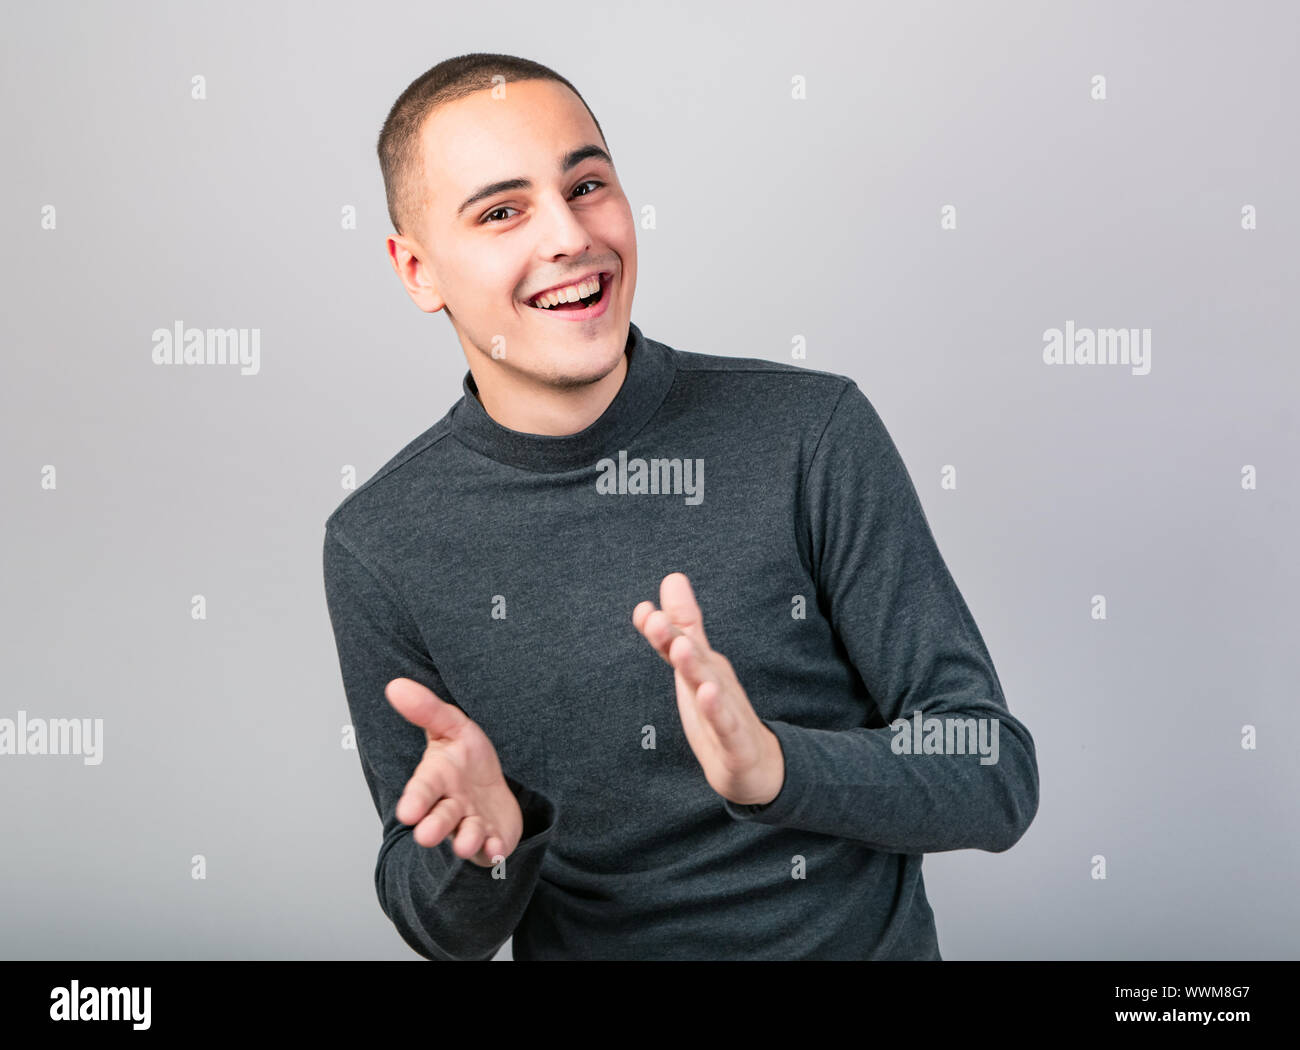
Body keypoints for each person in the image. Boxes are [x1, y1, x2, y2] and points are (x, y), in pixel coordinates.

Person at [322, 52, 1039, 961]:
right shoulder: (378, 543)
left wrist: (772, 766)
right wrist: (490, 848)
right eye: (503, 211)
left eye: (586, 185)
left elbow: (994, 774)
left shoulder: (810, 431)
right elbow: (439, 928)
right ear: (418, 271)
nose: (568, 236)